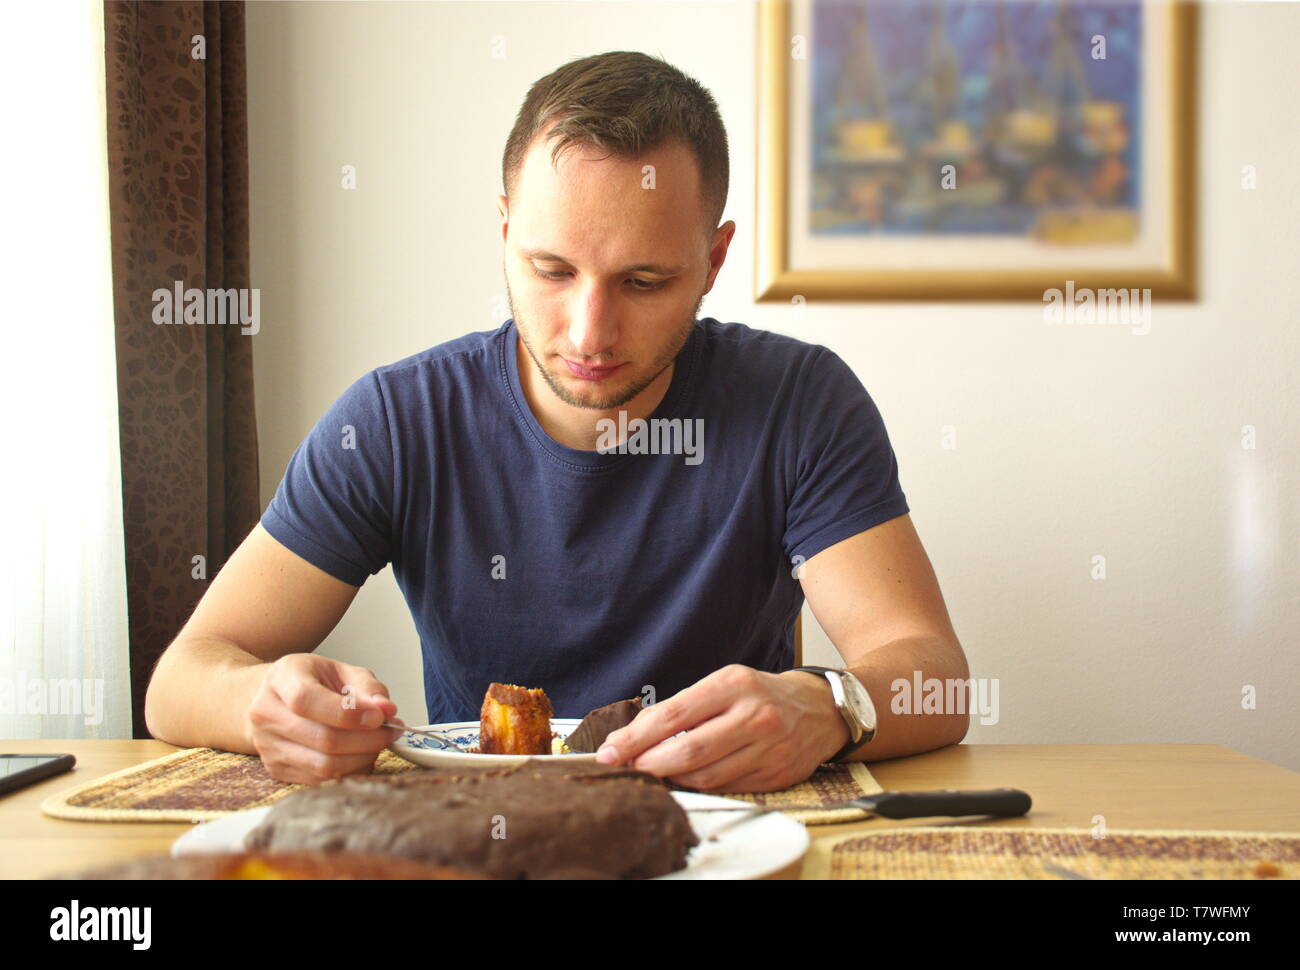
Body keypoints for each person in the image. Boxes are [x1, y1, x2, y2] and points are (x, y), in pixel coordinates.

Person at [145, 51, 970, 793]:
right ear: (505, 229)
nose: (588, 333)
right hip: (486, 838)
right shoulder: (397, 422)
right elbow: (180, 680)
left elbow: (935, 676)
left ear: (714, 262)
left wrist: (826, 706)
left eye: (644, 281)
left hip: (726, 837)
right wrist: (265, 700)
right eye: (550, 269)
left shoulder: (801, 403)